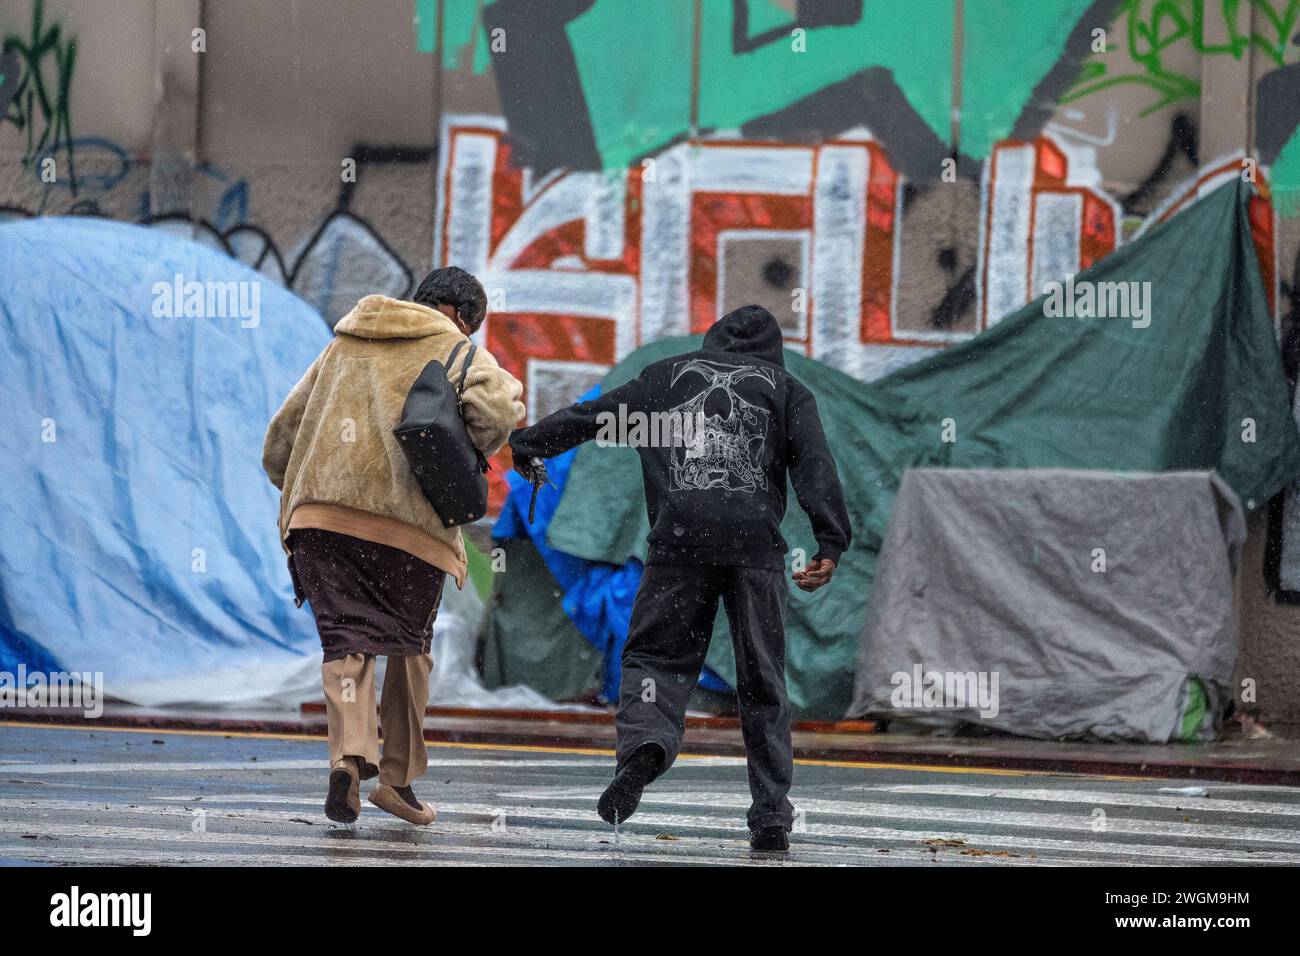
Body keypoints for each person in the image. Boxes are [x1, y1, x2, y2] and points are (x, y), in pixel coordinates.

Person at [509, 304, 850, 852]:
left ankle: (646, 743)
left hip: (678, 543)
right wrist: (831, 541)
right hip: (754, 551)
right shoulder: (788, 390)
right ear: (771, 352)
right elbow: (815, 465)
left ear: (712, 341)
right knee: (762, 681)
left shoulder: (662, 379)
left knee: (655, 658)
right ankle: (770, 816)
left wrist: (530, 443)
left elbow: (594, 416)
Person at [263, 267, 524, 825]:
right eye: (472, 324)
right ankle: (398, 781)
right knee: (408, 646)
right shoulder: (453, 347)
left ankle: (349, 760)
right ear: (460, 315)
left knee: (347, 642)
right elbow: (499, 411)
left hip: (321, 522)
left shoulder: (344, 342)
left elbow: (281, 437)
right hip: (407, 530)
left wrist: (315, 488)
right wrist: (459, 450)